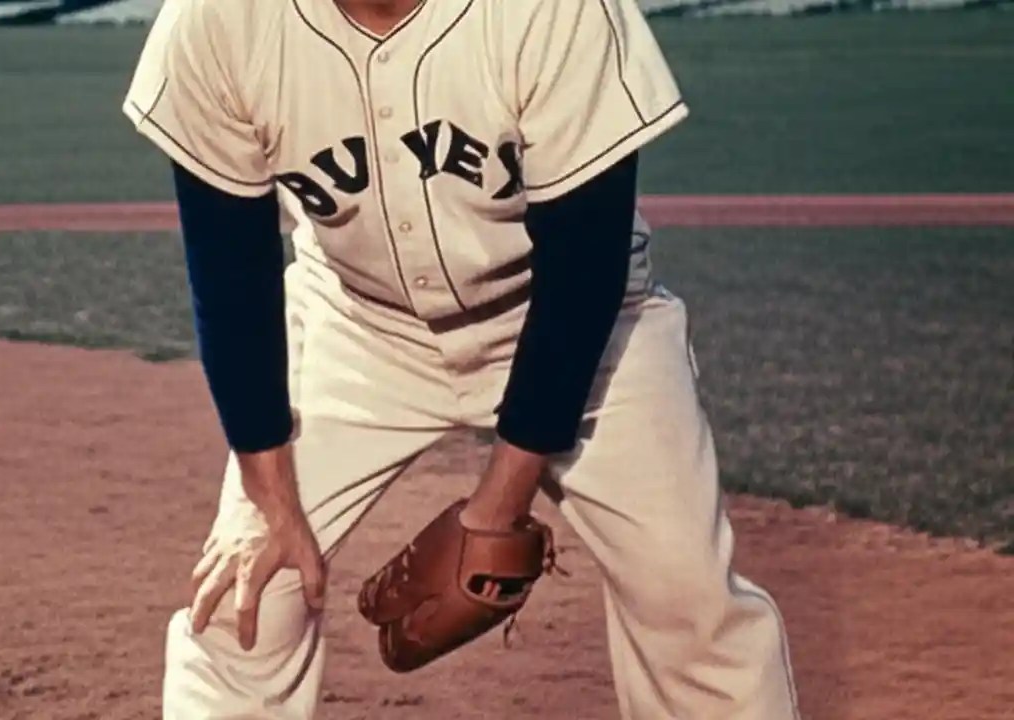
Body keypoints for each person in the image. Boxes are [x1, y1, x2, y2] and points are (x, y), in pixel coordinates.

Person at [122, 0, 799, 717]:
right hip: (357, 322)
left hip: (575, 318)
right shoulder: (219, 20)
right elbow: (231, 275)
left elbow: (583, 270)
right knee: (246, 596)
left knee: (685, 597)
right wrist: (269, 503)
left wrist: (498, 507)